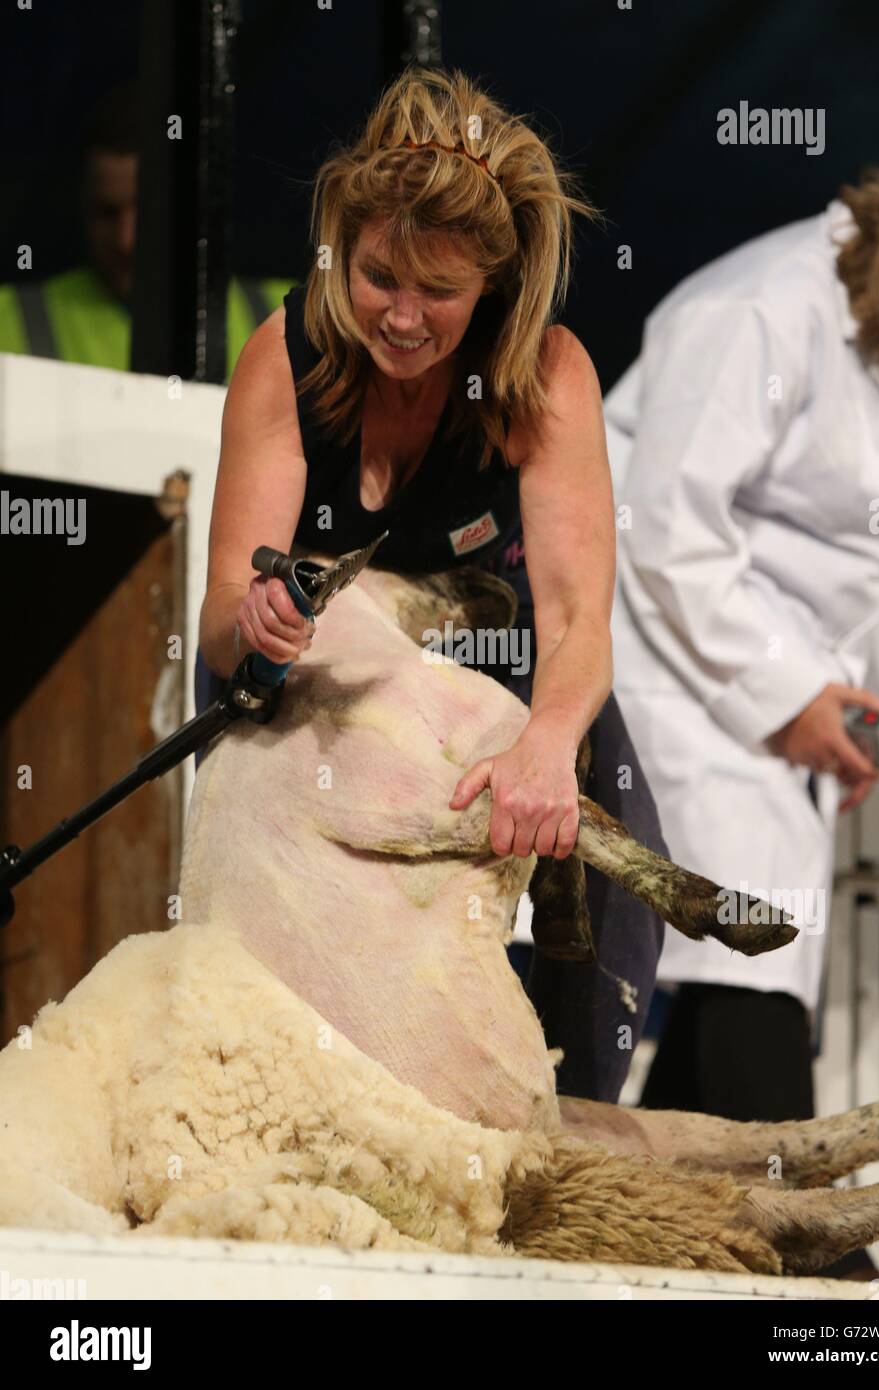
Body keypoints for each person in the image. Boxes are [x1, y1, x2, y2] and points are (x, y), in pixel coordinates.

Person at [196, 66, 667, 1103]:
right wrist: (259, 622)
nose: (400, 318)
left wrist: (547, 745)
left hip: (504, 683)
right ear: (342, 250)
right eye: (377, 278)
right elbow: (222, 623)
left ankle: (563, 1157)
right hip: (317, 693)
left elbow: (583, 618)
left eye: (437, 293)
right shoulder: (284, 355)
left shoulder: (546, 376)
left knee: (619, 888)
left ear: (489, 287)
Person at [605, 148, 879, 1125]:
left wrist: (852, 718)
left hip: (772, 679)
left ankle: (686, 1218)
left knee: (751, 951)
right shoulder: (759, 310)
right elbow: (664, 527)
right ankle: (801, 1233)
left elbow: (863, 563)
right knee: (749, 931)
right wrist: (784, 696)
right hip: (664, 649)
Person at [0, 82, 293, 376]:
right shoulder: (8, 320)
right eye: (106, 213)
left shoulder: (295, 319)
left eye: (146, 213)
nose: (125, 240)